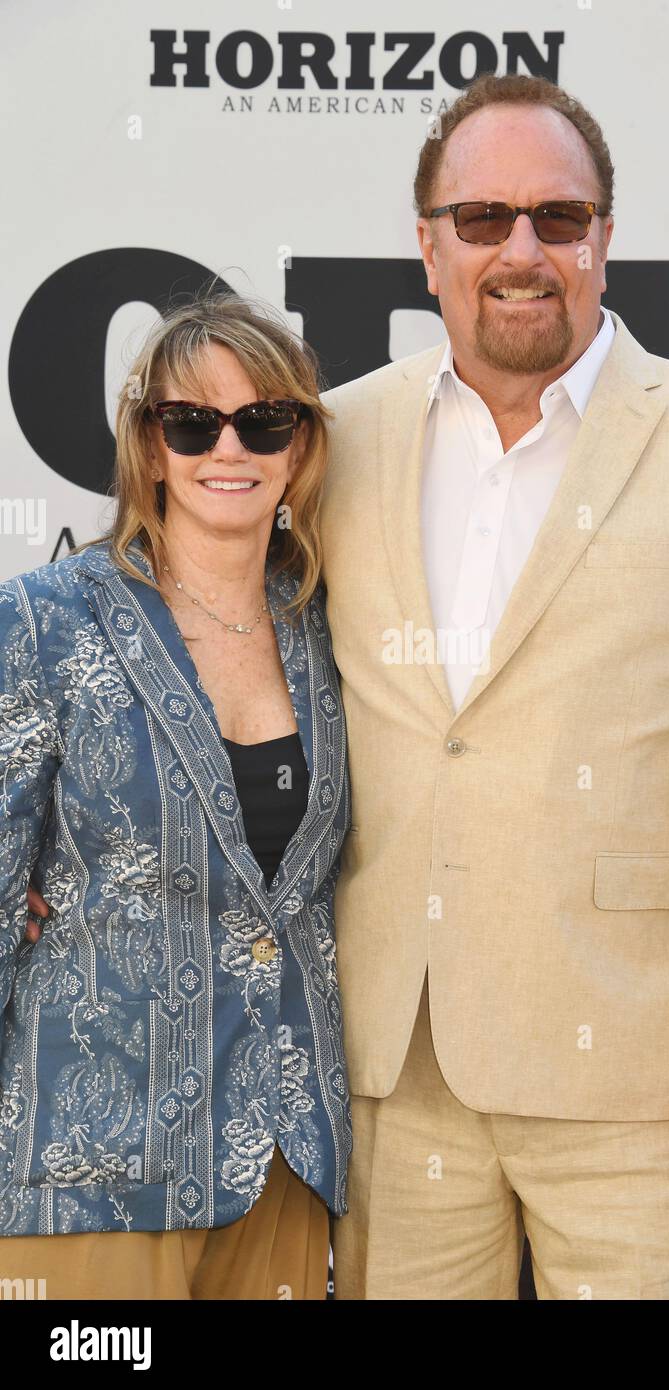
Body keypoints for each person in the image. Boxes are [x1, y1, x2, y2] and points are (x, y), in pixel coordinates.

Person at [316, 74, 669, 1299]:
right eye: (483, 218)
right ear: (426, 244)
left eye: (559, 218)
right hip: (398, 1075)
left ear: (603, 237)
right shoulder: (337, 440)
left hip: (643, 1090)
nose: (521, 250)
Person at [0, 293, 350, 1299]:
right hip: (87, 1158)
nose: (227, 448)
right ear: (150, 446)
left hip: (282, 1158)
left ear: (299, 446)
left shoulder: (337, 629)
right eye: (191, 422)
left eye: (263, 420)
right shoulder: (42, 623)